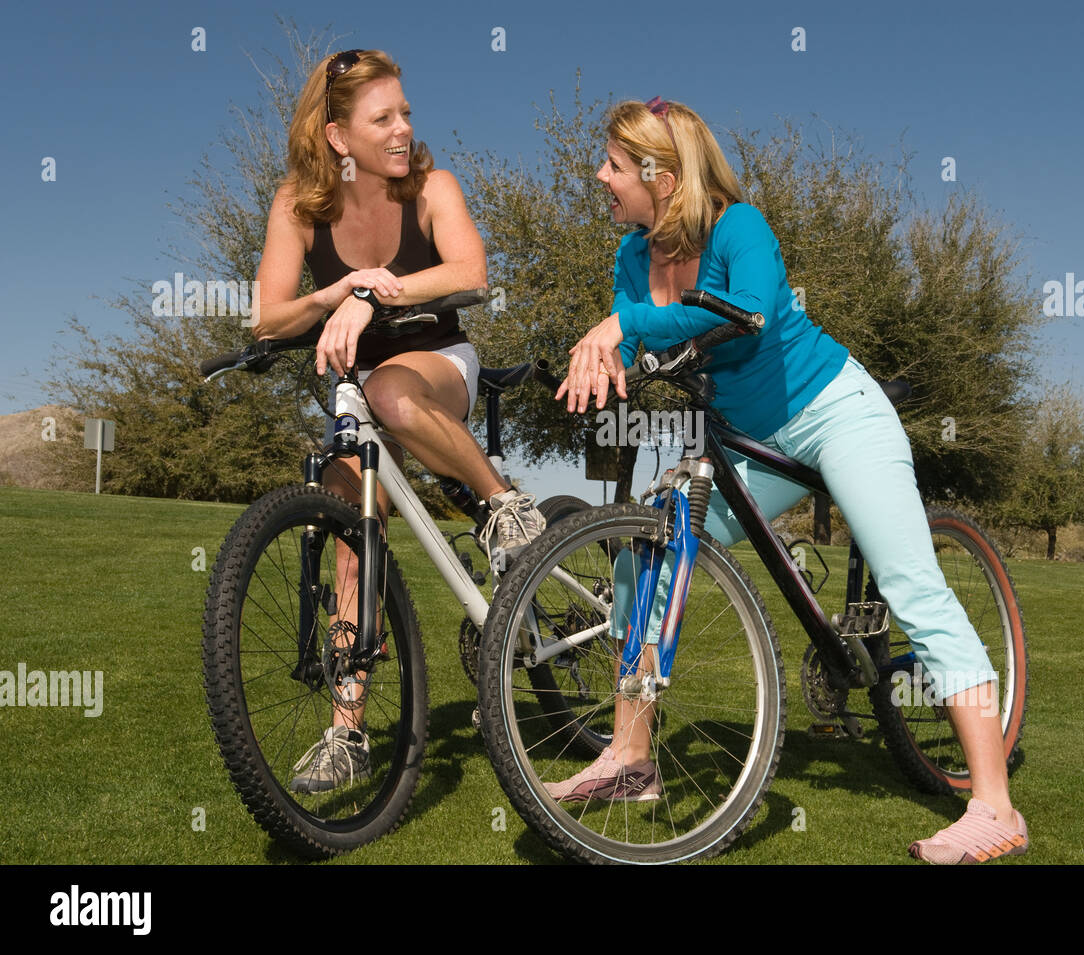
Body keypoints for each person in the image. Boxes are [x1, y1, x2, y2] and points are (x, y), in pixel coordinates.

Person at [552, 98, 1028, 864]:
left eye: (612, 163)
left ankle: (996, 807)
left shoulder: (740, 227)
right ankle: (630, 759)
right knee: (649, 546)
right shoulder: (631, 256)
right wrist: (606, 354)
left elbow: (752, 314)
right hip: (747, 434)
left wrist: (627, 328)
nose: (597, 174)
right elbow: (633, 332)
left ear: (662, 176)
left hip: (834, 410)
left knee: (911, 585)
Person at [253, 49, 544, 793]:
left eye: (406, 112)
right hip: (359, 385)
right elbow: (268, 317)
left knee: (390, 390)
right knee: (354, 536)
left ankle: (503, 505)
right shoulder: (296, 203)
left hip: (437, 363)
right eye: (383, 117)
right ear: (338, 136)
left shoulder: (432, 187)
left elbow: (469, 272)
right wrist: (337, 292)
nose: (404, 129)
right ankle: (347, 733)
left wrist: (376, 296)